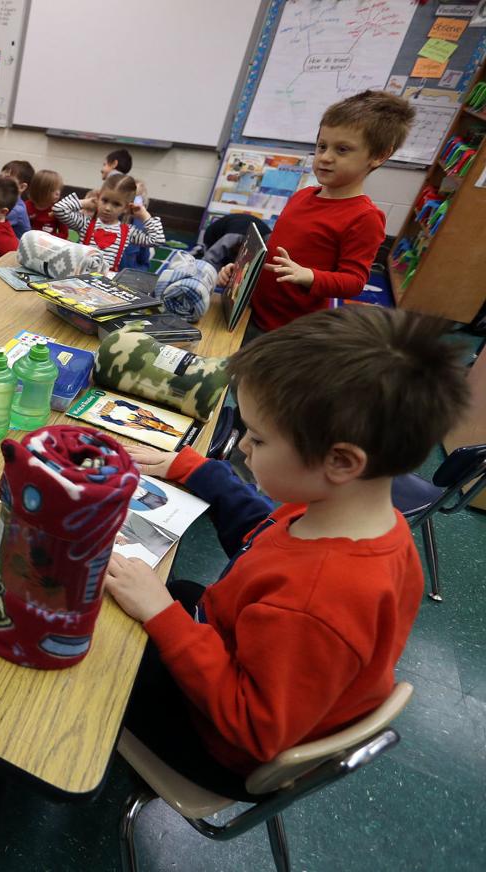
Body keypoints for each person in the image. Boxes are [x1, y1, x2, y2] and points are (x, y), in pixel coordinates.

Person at [104, 305, 468, 797]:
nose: (245, 450)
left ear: (340, 461)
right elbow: (261, 538)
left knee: (95, 651)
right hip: (231, 645)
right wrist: (193, 468)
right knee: (153, 592)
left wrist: (164, 616)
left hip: (218, 741)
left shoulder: (318, 602)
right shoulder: (354, 516)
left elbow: (251, 726)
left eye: (256, 438)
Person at [220, 90, 415, 334]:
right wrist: (240, 270)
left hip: (286, 328)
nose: (325, 157)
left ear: (378, 155)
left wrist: (308, 275)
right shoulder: (303, 196)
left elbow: (354, 281)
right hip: (251, 307)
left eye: (342, 150)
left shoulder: (365, 217)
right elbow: (275, 252)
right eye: (322, 146)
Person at [52, 174, 166, 271]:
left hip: (105, 284)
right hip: (78, 276)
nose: (108, 208)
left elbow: (157, 240)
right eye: (104, 200)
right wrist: (85, 202)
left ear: (126, 207)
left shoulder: (129, 232)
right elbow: (58, 209)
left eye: (116, 204)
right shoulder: (85, 224)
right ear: (98, 197)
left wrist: (144, 215)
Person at [24, 169, 68, 239]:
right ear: (40, 190)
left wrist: (48, 238)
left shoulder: (58, 209)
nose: (58, 193)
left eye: (59, 189)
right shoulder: (26, 207)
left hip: (49, 244)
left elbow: (64, 234)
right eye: (53, 190)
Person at [0, 160, 34, 238]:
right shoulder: (4, 202)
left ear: (21, 187)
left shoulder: (16, 210)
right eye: (0, 179)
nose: (0, 183)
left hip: (16, 249)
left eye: (6, 180)